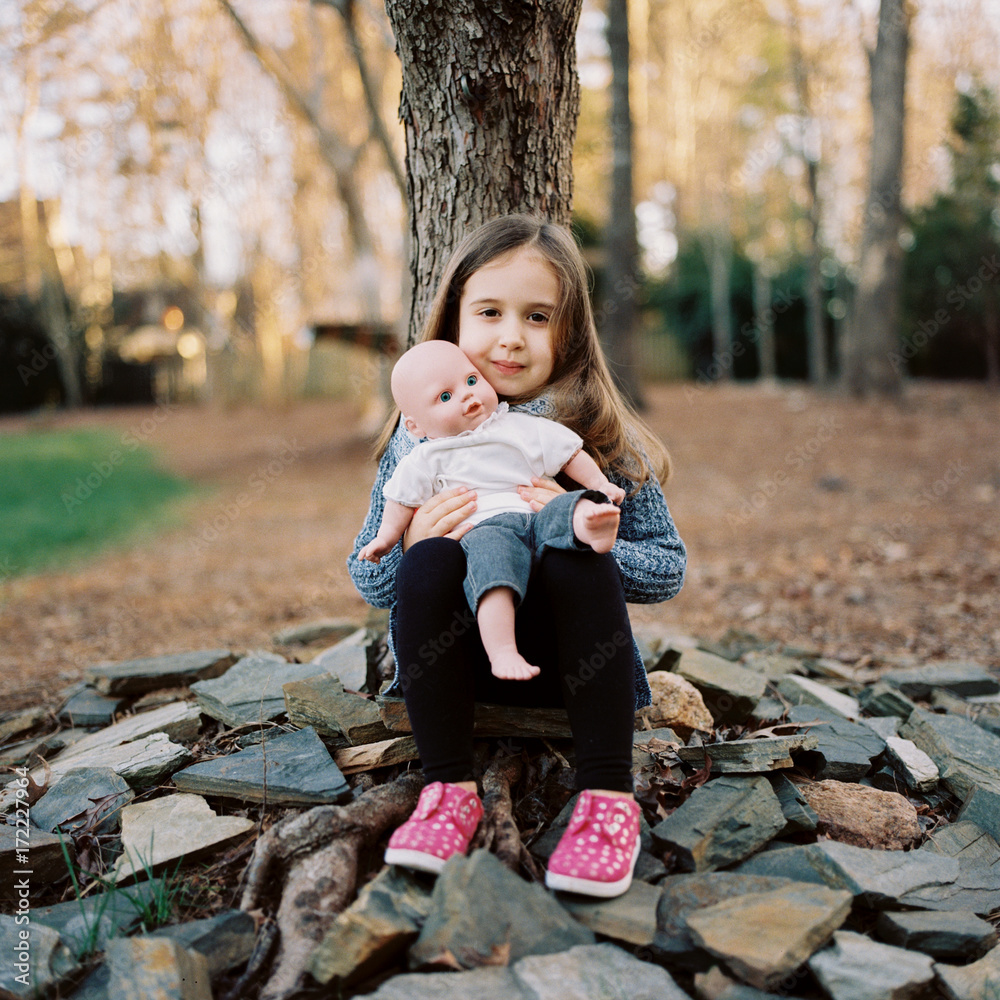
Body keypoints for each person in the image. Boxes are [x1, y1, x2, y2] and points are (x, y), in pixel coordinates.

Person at [348, 214, 686, 898]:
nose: (510, 336)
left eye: (537, 316)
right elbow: (368, 573)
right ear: (453, 320)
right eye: (490, 312)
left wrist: (596, 540)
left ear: (570, 332)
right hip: (457, 667)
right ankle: (448, 793)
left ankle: (607, 801)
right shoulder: (419, 444)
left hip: (573, 670)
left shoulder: (598, 439)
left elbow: (669, 567)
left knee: (567, 538)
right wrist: (414, 541)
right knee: (433, 559)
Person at [358, 339, 626, 683]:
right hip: (486, 528)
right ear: (415, 427)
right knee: (493, 571)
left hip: (534, 514)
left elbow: (569, 453)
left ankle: (591, 527)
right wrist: (386, 538)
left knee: (569, 507)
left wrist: (600, 485)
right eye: (445, 397)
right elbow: (400, 501)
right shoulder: (427, 457)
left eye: (471, 381)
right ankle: (503, 650)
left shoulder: (517, 426)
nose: (468, 396)